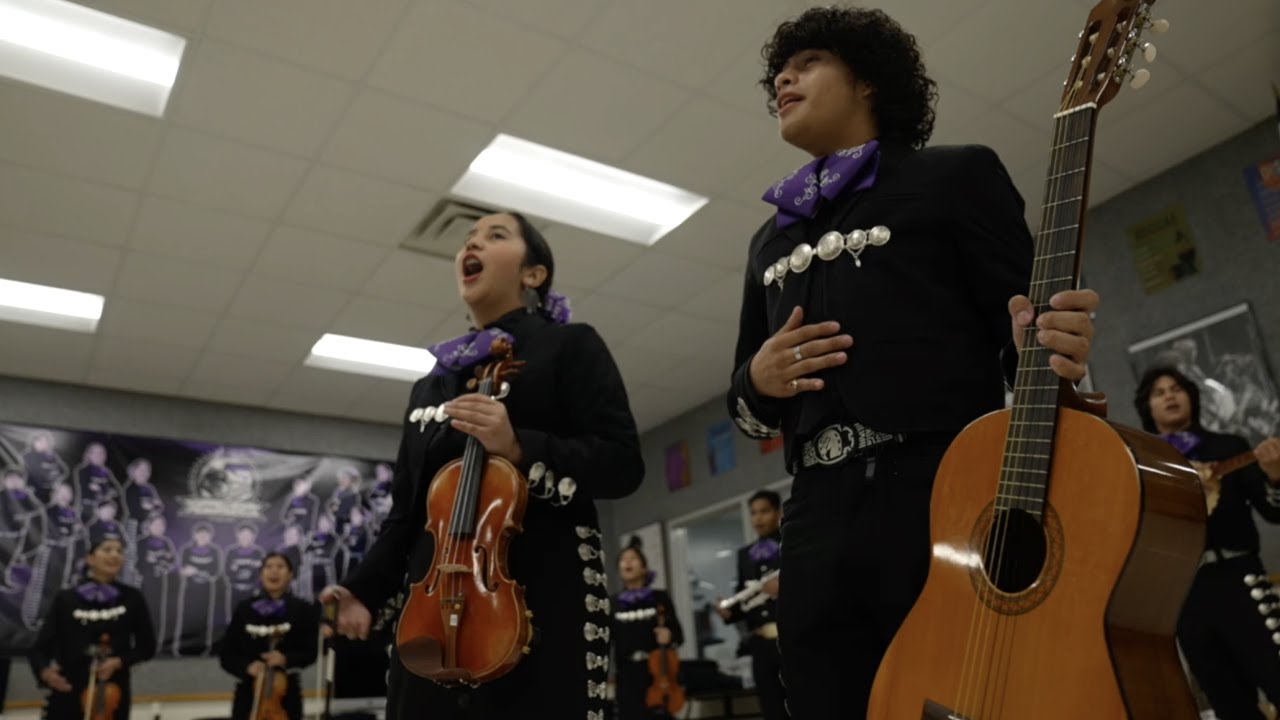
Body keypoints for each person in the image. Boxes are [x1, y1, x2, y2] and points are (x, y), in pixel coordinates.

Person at [725, 7, 1100, 718]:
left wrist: (1053, 347)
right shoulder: (767, 241)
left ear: (866, 79)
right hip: (813, 510)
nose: (783, 76)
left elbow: (1028, 337)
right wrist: (757, 380)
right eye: (781, 68)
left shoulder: (955, 175)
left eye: (808, 62)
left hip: (941, 487)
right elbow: (743, 407)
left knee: (952, 692)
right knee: (820, 695)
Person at [322, 211, 643, 720]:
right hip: (434, 609)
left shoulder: (569, 345)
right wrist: (361, 589)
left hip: (540, 601)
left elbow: (623, 464)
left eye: (495, 236)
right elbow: (406, 513)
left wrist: (520, 447)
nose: (472, 245)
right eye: (467, 239)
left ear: (532, 274)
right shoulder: (431, 384)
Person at [1135, 366, 1280, 717]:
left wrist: (1275, 477)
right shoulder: (1142, 467)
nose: (1170, 395)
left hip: (1240, 578)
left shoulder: (1229, 446)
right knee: (1228, 703)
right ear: (1147, 408)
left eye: (1177, 388)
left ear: (1192, 398)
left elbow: (1273, 512)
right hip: (1184, 597)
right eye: (1159, 392)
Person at [28, 536, 155, 720]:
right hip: (69, 688)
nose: (115, 555)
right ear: (90, 558)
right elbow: (39, 648)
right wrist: (46, 673)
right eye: (107, 549)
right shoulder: (66, 599)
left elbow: (147, 647)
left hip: (112, 692)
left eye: (119, 551)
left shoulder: (132, 597)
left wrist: (118, 662)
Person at [218, 552, 318, 720]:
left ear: (290, 574)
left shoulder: (302, 609)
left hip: (287, 695)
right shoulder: (245, 609)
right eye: (268, 567)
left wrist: (285, 659)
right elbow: (226, 655)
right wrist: (247, 667)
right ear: (261, 574)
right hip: (249, 694)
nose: (274, 572)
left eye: (280, 567)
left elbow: (311, 652)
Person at [715, 490, 784, 720]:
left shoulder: (790, 543)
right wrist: (728, 612)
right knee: (770, 707)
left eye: (764, 511)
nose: (758, 518)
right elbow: (743, 599)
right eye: (753, 513)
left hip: (791, 638)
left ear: (778, 512)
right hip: (761, 645)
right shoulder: (745, 555)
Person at [610, 544, 684, 720]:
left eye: (633, 558)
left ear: (644, 567)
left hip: (657, 673)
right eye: (623, 560)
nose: (627, 562)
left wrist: (669, 635)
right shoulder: (612, 603)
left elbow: (679, 635)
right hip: (627, 673)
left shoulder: (659, 598)